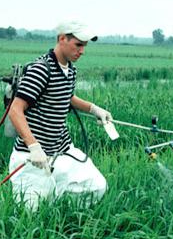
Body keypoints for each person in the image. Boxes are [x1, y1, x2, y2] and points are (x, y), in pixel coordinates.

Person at [8, 21, 111, 211]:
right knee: (32, 215)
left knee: (97, 187)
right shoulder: (41, 69)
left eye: (85, 46)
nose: (82, 51)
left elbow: (66, 96)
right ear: (62, 38)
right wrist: (33, 146)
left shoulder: (70, 70)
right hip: (33, 158)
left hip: (62, 150)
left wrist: (94, 109)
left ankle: (67, 222)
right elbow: (15, 109)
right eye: (78, 45)